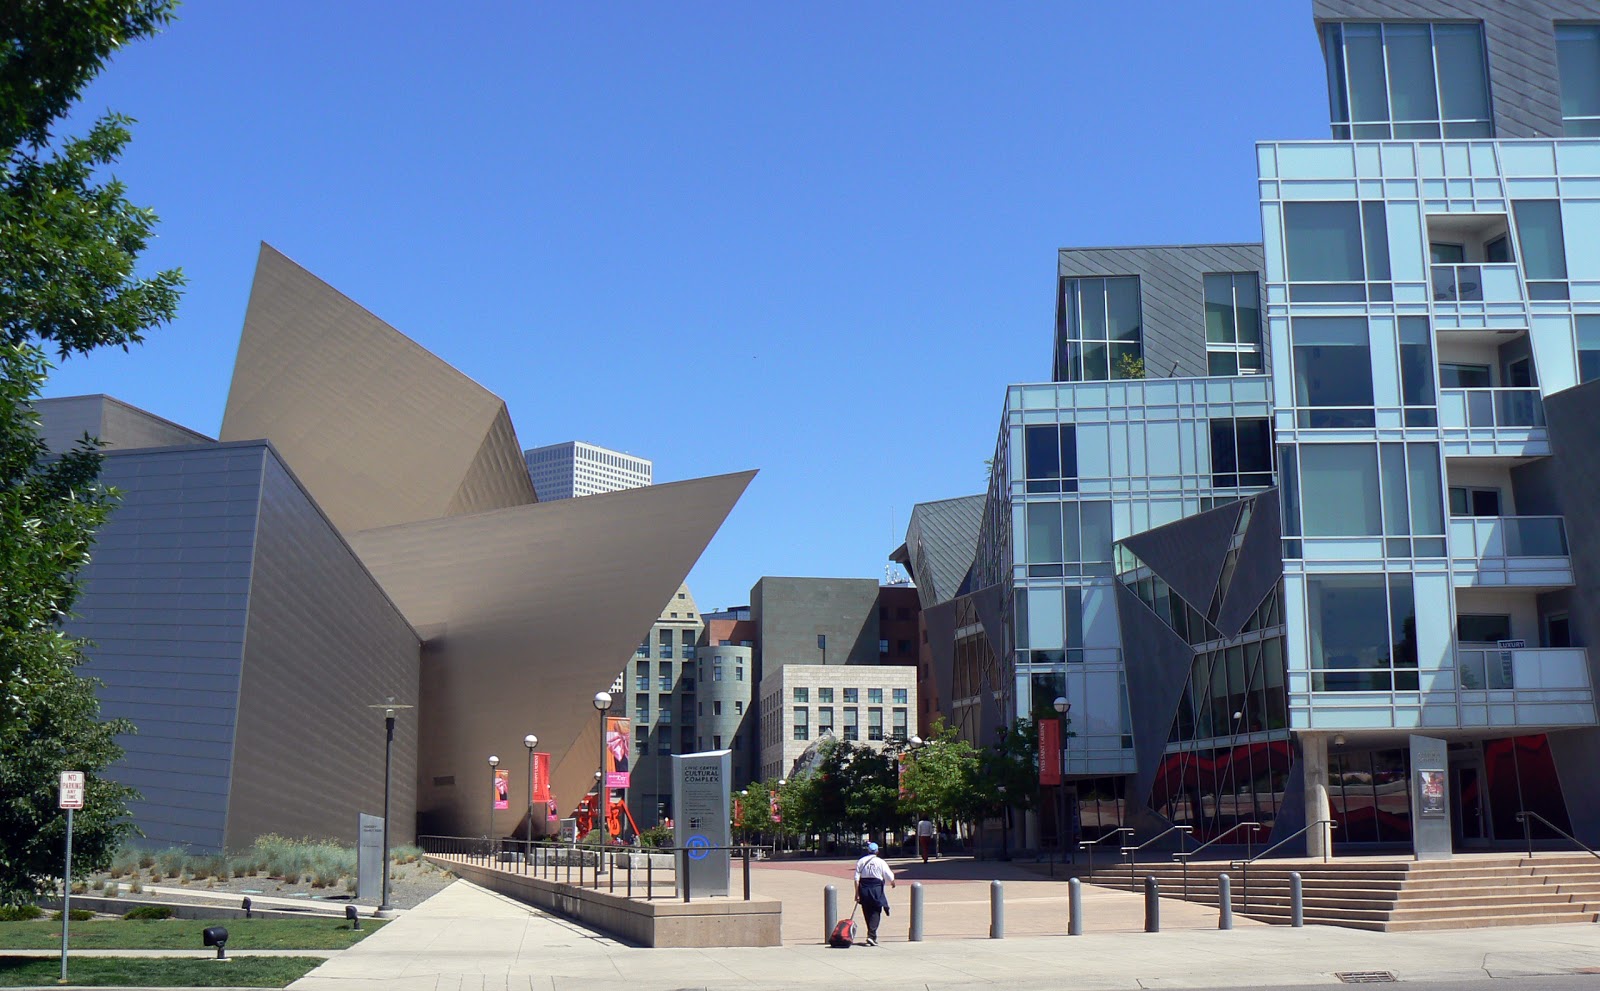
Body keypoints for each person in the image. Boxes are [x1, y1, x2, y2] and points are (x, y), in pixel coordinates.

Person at [853, 841, 896, 946]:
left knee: (867, 911)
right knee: (876, 910)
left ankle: (871, 935)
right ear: (877, 851)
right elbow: (889, 875)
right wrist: (892, 882)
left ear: (868, 850)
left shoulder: (861, 861)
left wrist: (857, 893)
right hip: (876, 888)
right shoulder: (881, 862)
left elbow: (856, 879)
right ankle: (871, 935)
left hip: (864, 888)